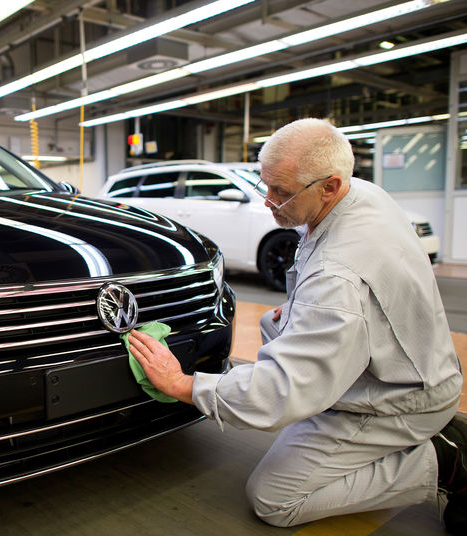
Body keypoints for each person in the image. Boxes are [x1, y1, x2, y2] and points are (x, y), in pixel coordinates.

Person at [128, 118, 465, 532]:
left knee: (275, 499)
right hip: (412, 364)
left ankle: (444, 461)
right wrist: (305, 309)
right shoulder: (362, 195)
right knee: (275, 327)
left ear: (330, 186)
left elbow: (283, 388)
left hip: (398, 399)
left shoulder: (338, 277)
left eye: (281, 192)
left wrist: (182, 384)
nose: (268, 201)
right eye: (265, 184)